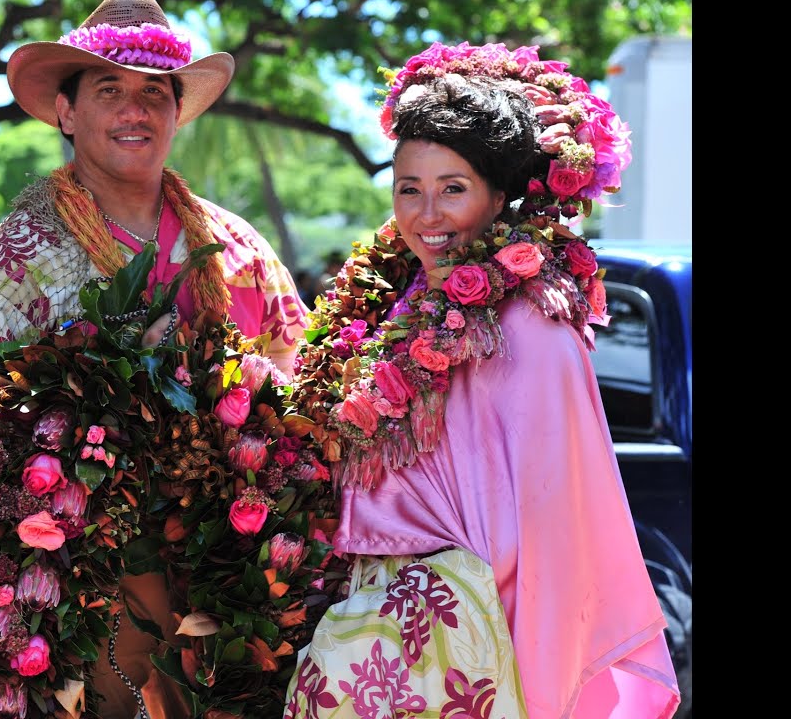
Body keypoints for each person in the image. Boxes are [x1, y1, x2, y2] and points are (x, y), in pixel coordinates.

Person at [0, 0, 306, 715]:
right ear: (66, 114)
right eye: (110, 91)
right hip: (74, 588)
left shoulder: (240, 249)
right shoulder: (15, 260)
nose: (135, 111)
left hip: (227, 580)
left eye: (153, 94)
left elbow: (298, 398)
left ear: (176, 114)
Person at [283, 50, 681, 718]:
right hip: (367, 626)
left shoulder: (532, 322)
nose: (427, 212)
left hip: (470, 633)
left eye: (453, 188)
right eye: (409, 188)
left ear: (500, 196)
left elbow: (553, 526)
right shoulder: (397, 305)